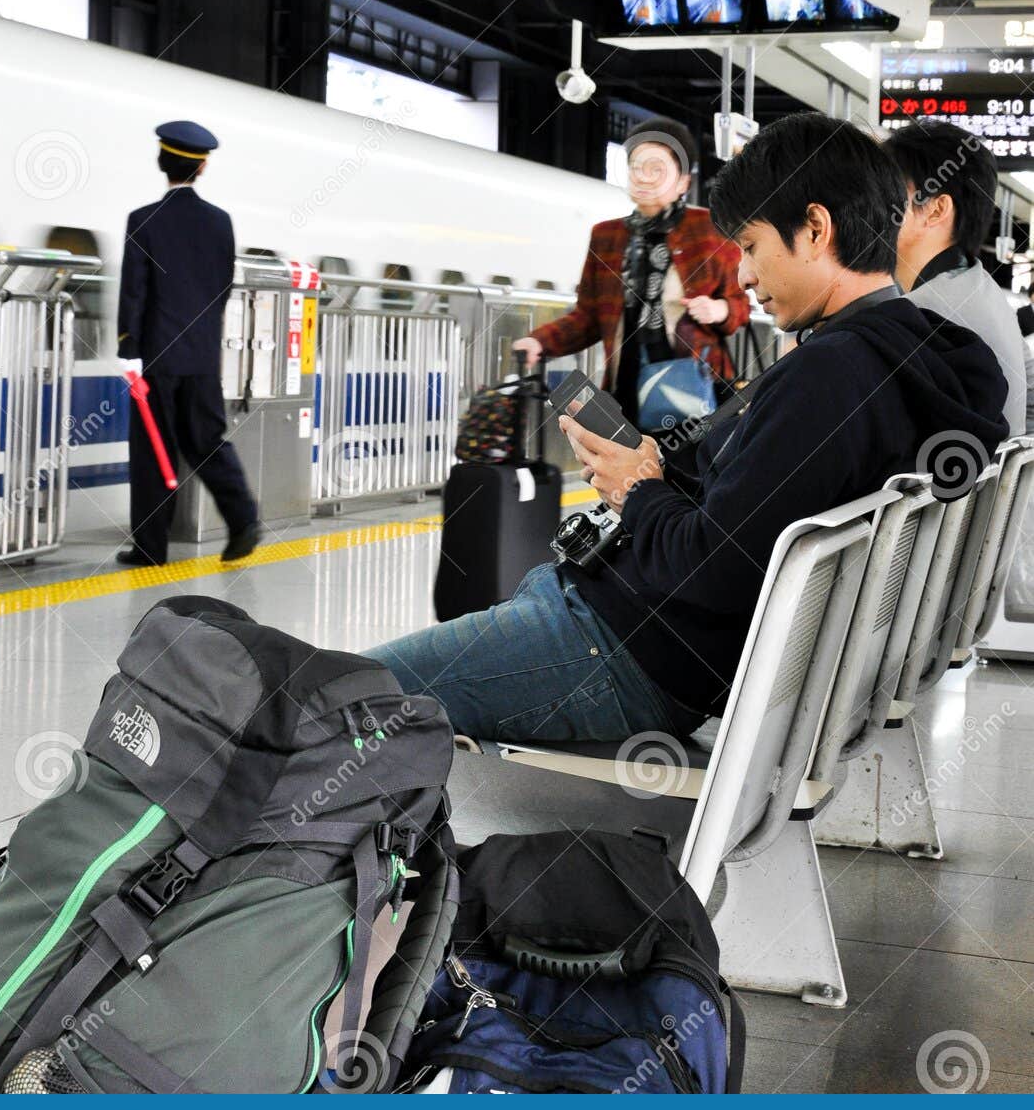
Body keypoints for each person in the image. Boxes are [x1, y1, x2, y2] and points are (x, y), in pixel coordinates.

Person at [368, 114, 1008, 743]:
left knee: (335, 693)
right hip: (644, 636)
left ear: (815, 228)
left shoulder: (832, 374)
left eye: (753, 247)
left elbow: (713, 567)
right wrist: (656, 472)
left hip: (623, 650)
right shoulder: (938, 356)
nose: (747, 277)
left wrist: (637, 486)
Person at [512, 117, 749, 431]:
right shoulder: (606, 236)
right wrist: (539, 342)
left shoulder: (711, 231)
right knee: (626, 474)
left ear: (682, 182)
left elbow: (741, 304)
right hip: (625, 384)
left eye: (656, 169)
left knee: (693, 473)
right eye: (636, 167)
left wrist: (720, 310)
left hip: (693, 384)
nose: (643, 178)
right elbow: (588, 318)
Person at [116, 120, 261, 568]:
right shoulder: (220, 223)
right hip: (201, 355)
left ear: (163, 161)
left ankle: (150, 547)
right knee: (207, 441)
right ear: (201, 168)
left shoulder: (143, 220)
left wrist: (129, 348)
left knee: (151, 450)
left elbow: (135, 291)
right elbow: (221, 287)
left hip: (158, 357)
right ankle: (243, 520)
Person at [884, 120, 1031, 436]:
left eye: (888, 191)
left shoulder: (918, 315)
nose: (871, 206)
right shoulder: (985, 291)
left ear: (936, 210)